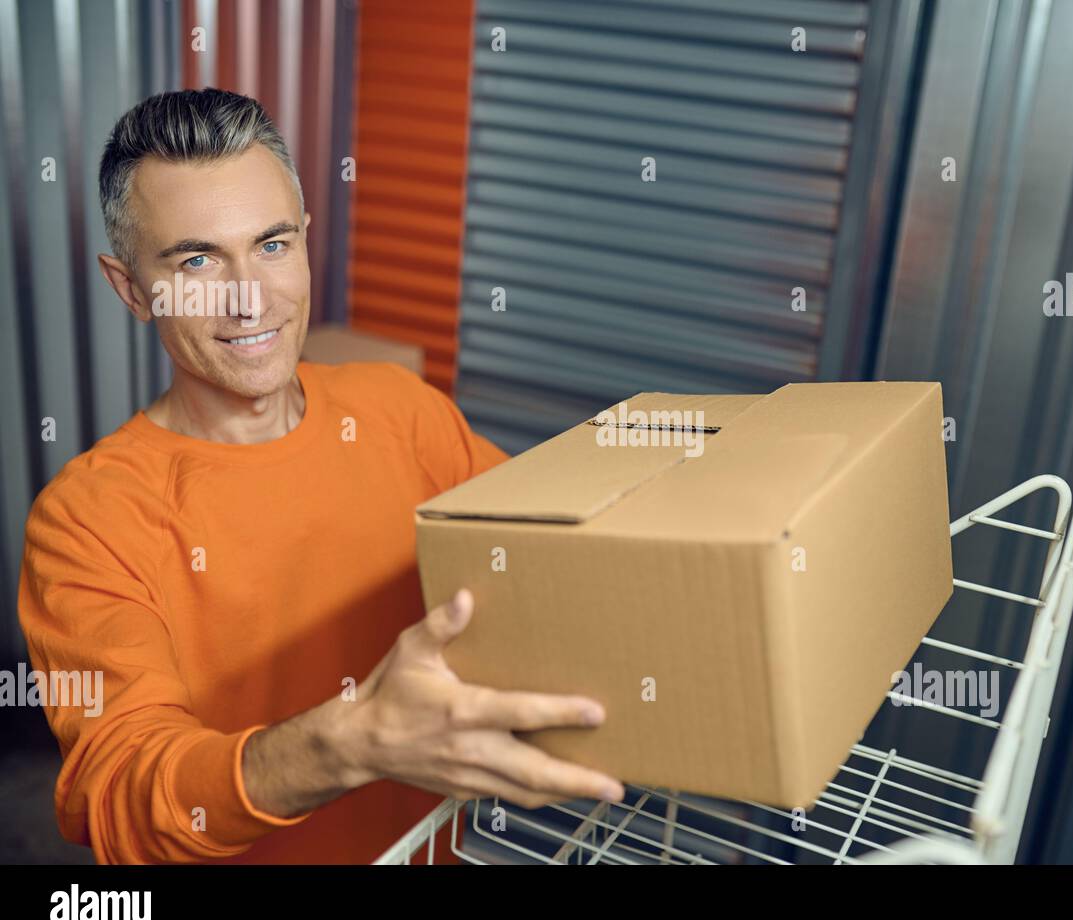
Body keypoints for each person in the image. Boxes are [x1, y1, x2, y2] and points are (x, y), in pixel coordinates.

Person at [17, 88, 624, 864]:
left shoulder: (401, 410)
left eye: (272, 245)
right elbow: (127, 794)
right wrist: (349, 746)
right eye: (197, 260)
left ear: (306, 242)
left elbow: (557, 558)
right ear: (131, 288)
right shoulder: (85, 520)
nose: (250, 299)